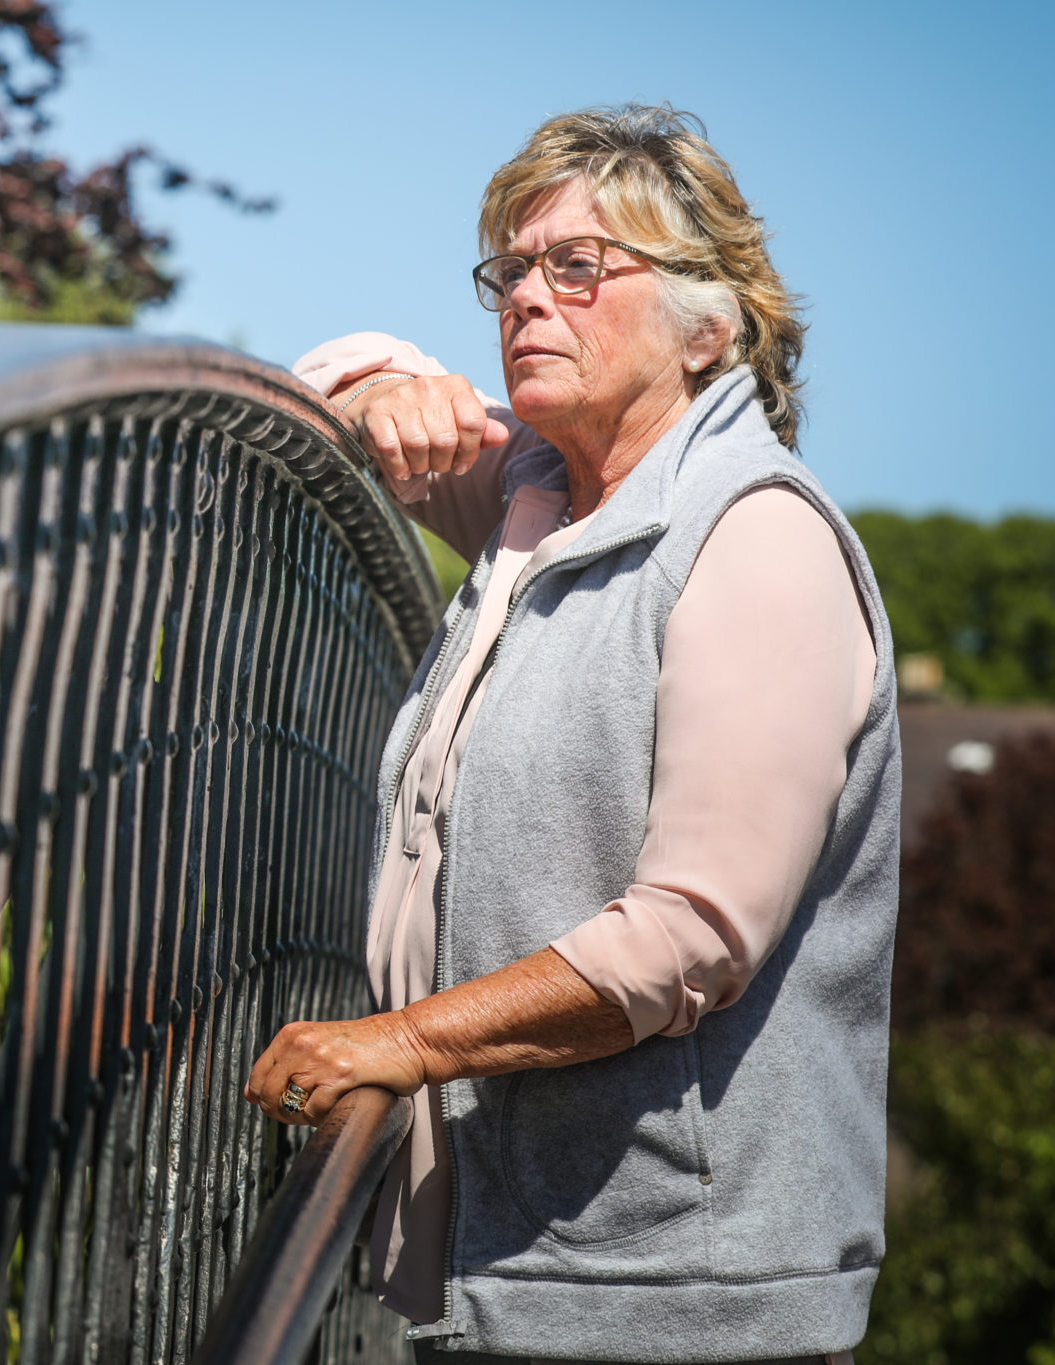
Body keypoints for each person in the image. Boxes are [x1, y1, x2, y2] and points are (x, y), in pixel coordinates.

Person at [242, 105, 898, 1365]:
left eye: (579, 266)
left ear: (709, 321)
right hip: (526, 1265)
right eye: (510, 269)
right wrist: (389, 383)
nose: (526, 300)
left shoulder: (753, 540)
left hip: (677, 1297)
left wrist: (396, 1045)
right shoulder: (539, 500)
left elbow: (687, 935)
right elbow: (306, 387)